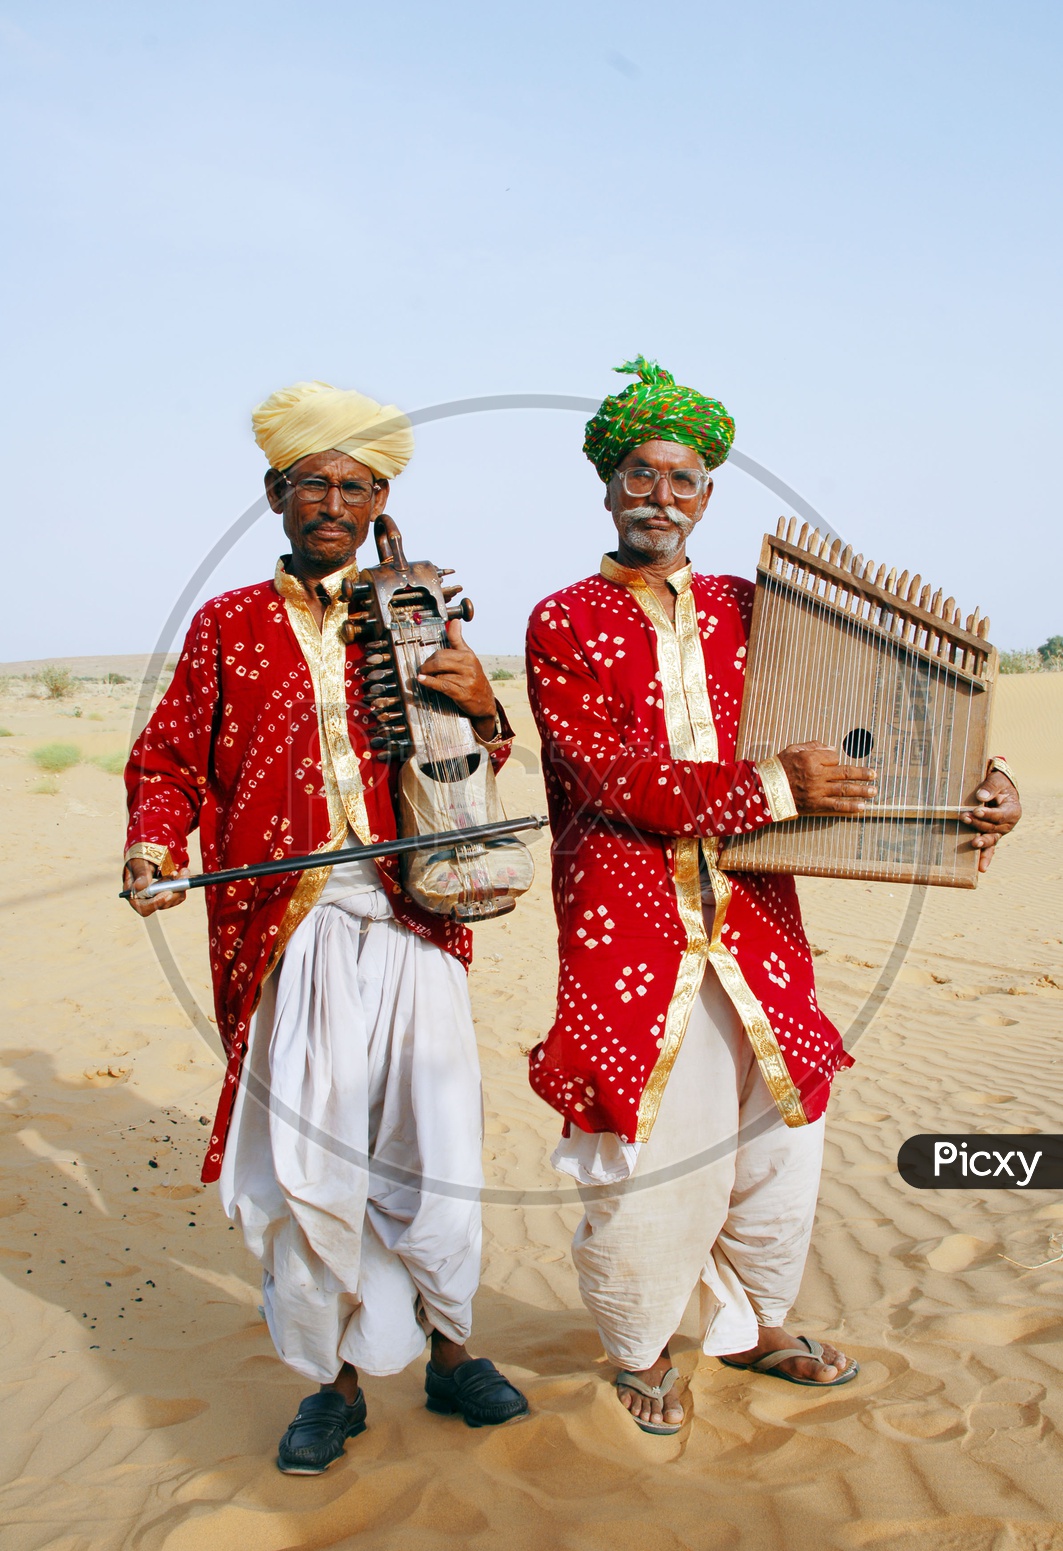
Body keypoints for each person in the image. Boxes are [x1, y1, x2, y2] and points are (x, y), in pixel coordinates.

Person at [525, 357, 1022, 1434]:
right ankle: (645, 1346)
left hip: (755, 915)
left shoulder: (755, 609)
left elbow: (876, 720)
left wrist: (975, 793)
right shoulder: (561, 619)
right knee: (649, 1142)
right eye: (642, 474)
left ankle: (753, 1326)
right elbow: (605, 773)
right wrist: (769, 784)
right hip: (630, 917)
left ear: (709, 496)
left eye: (686, 479)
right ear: (608, 484)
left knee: (779, 1133)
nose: (662, 495)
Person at [124, 380, 528, 1474]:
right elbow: (166, 760)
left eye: (357, 487)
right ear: (276, 494)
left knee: (432, 1149)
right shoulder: (226, 628)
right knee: (312, 1160)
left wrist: (486, 710)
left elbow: (471, 762)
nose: (335, 504)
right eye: (316, 484)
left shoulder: (415, 609)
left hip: (415, 911)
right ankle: (331, 1384)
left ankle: (452, 1353)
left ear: (380, 497)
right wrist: (155, 846)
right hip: (284, 926)